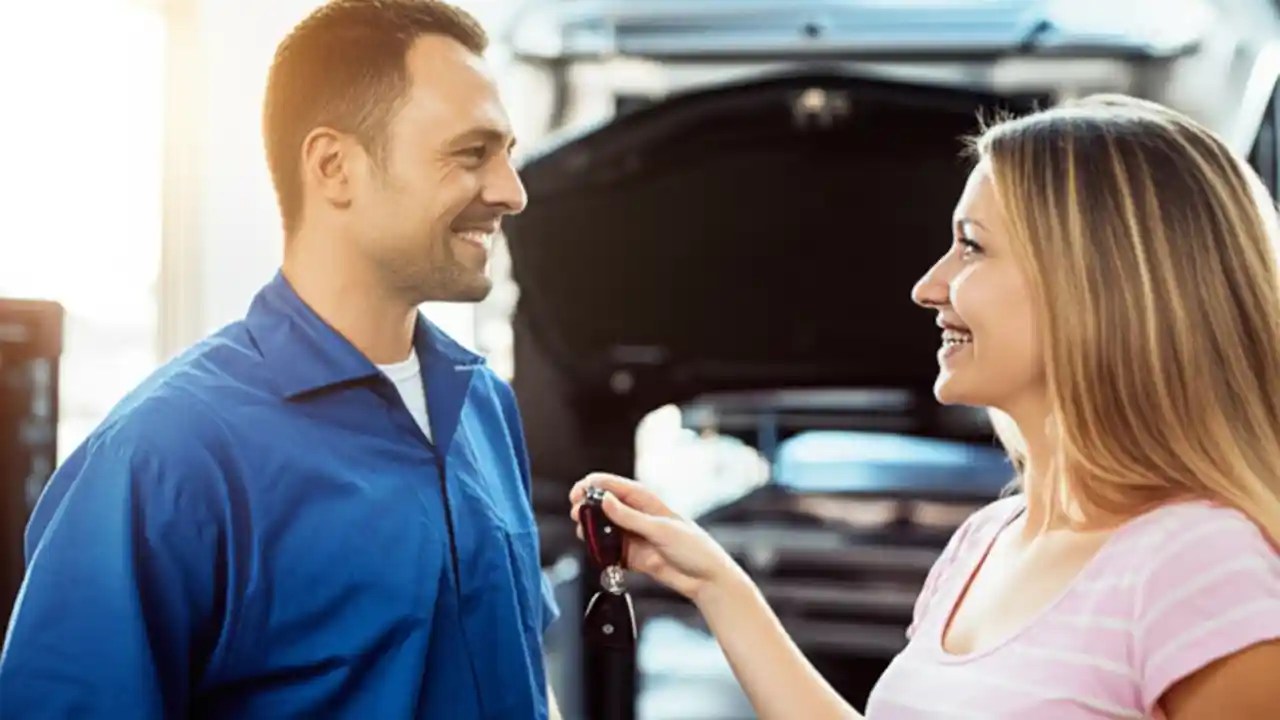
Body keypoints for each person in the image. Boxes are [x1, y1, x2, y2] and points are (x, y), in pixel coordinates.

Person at [571, 94, 1280, 719]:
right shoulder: (986, 541)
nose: (928, 286)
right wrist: (713, 581)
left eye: (971, 248)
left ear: (1095, 286)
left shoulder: (1200, 563)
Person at [0, 2, 562, 718]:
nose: (512, 191)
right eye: (471, 153)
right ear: (335, 167)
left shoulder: (484, 406)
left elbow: (520, 672)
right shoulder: (163, 457)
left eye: (509, 152)